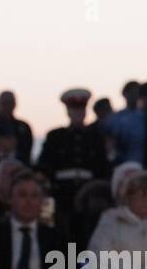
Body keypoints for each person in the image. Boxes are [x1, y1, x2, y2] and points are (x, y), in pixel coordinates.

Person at [38, 88, 110, 222]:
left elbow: (103, 168)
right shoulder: (55, 136)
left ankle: (74, 245)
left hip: (89, 194)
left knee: (82, 234)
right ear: (68, 112)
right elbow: (44, 165)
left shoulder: (95, 137)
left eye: (81, 110)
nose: (78, 113)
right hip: (60, 194)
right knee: (53, 229)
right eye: (75, 110)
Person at [0, 91, 34, 165]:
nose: (7, 106)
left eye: (9, 102)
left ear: (14, 104)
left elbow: (26, 152)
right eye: (4, 103)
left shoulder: (24, 127)